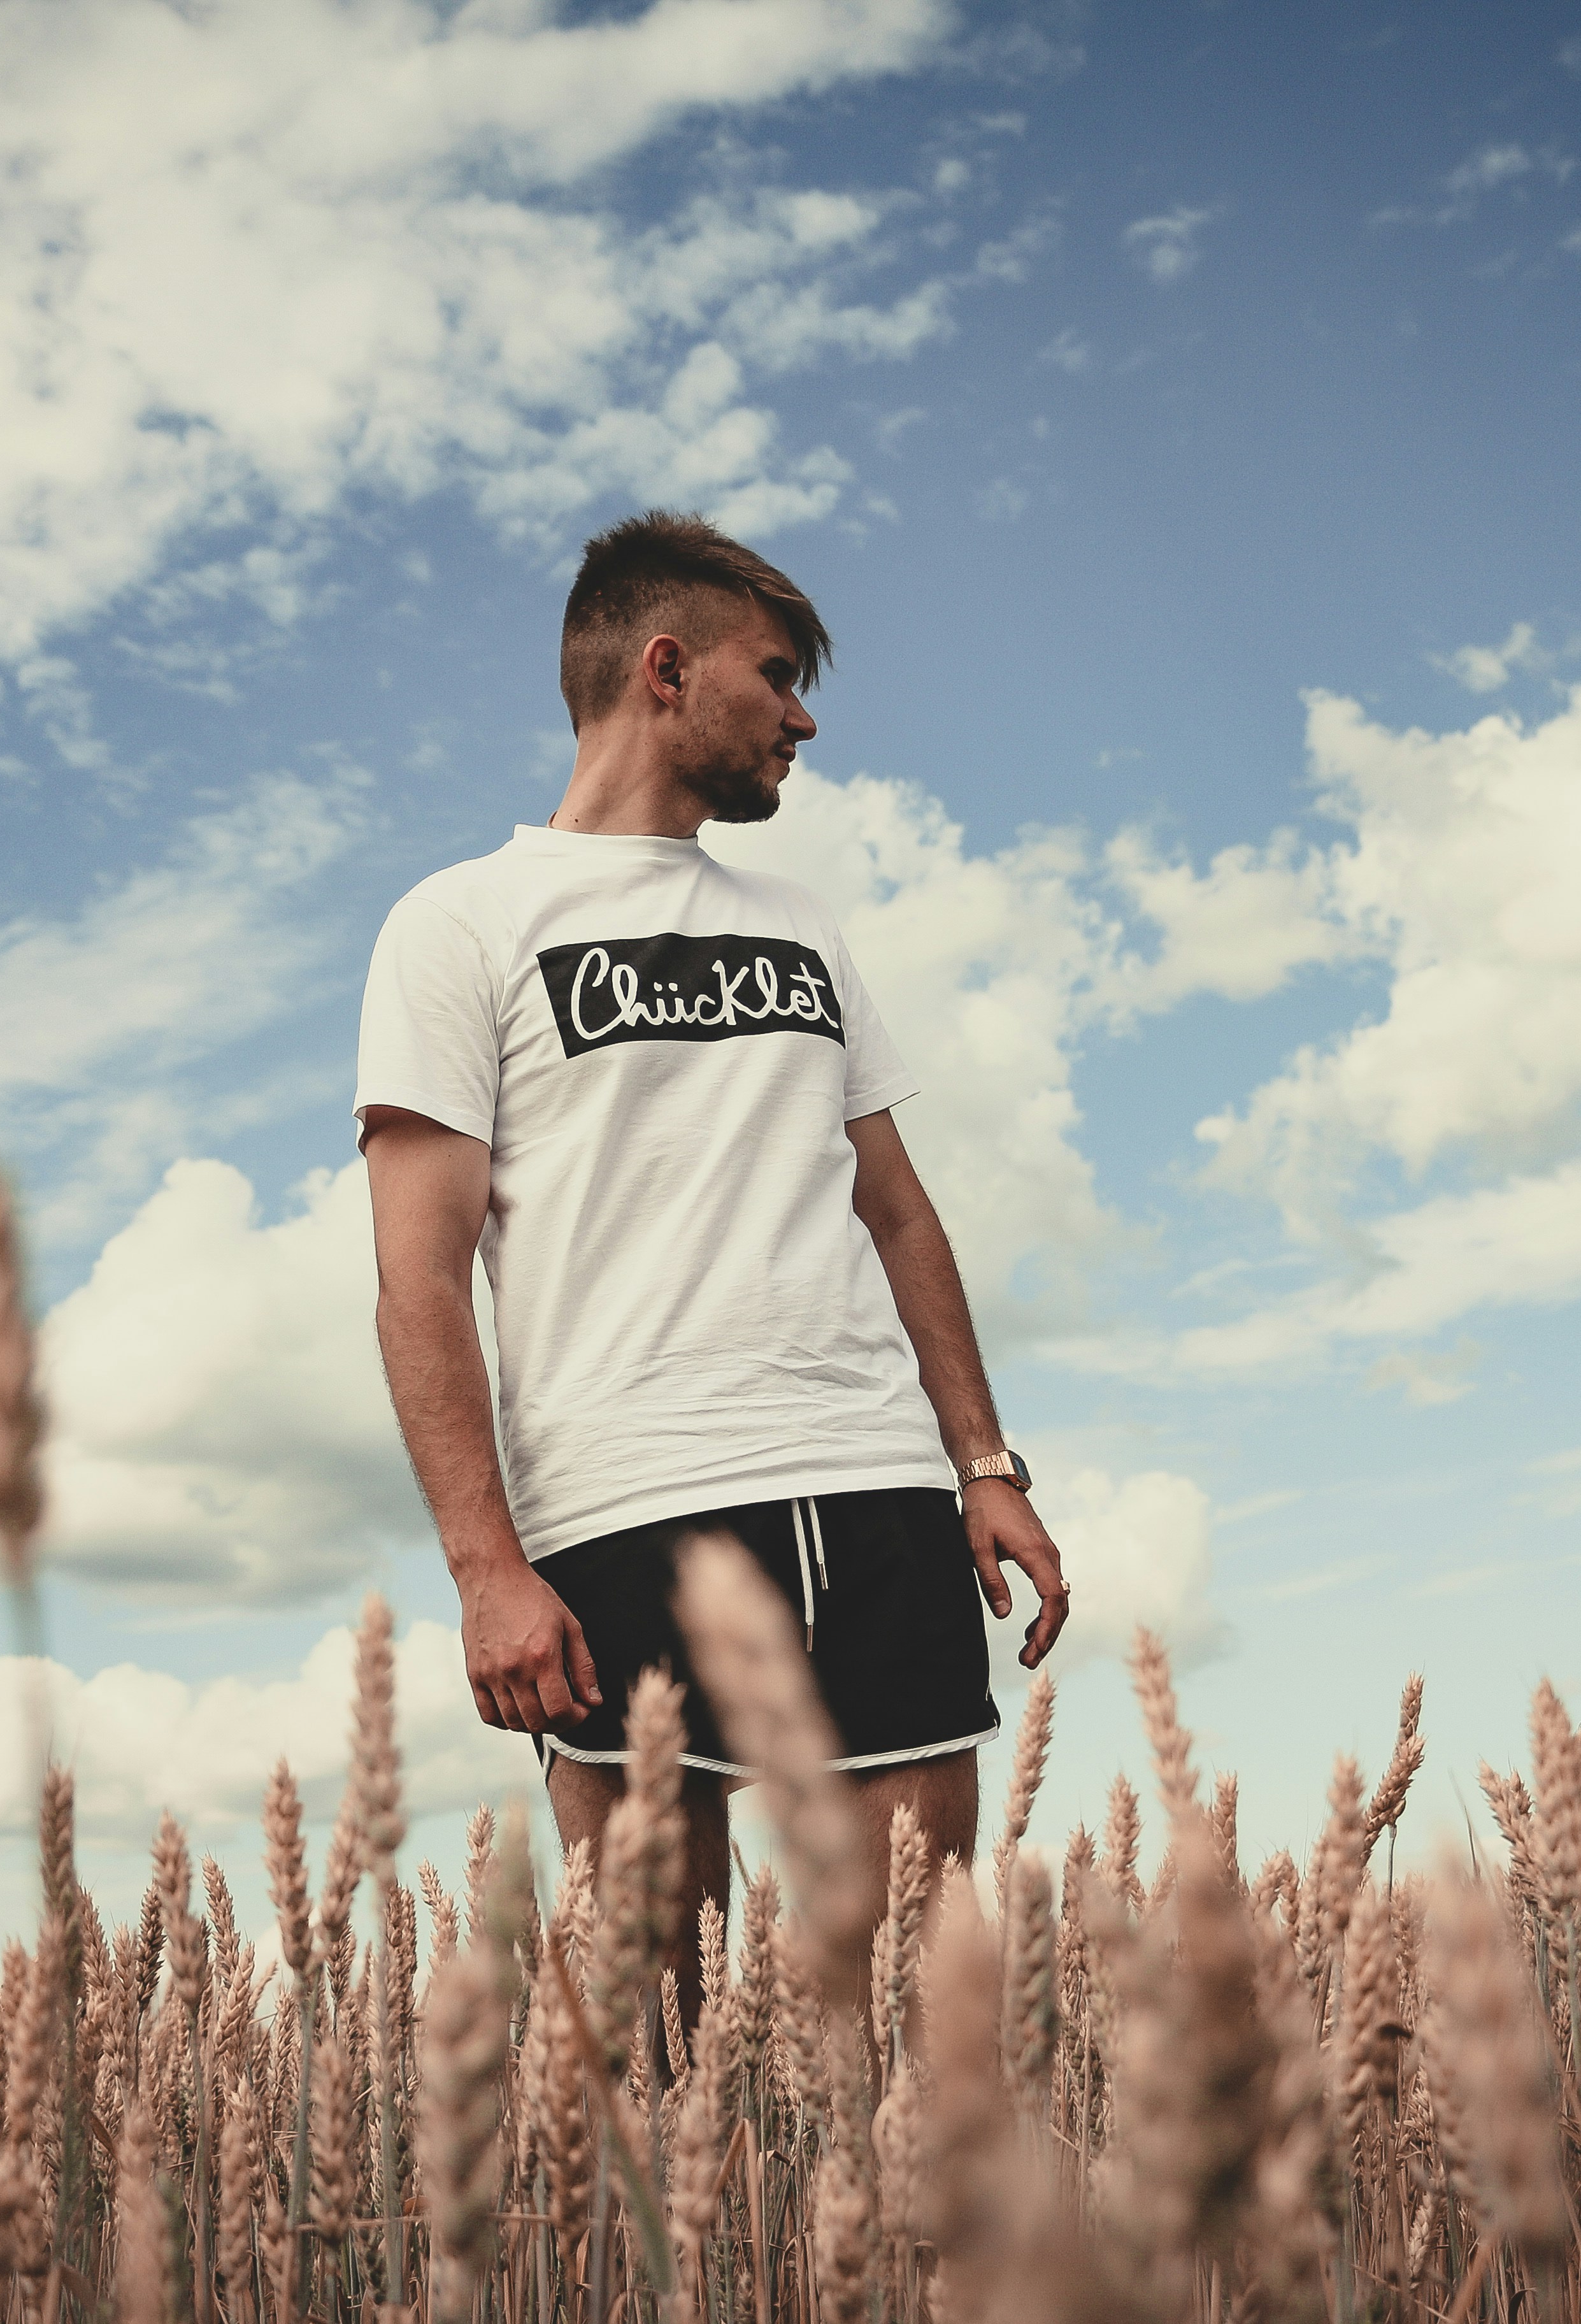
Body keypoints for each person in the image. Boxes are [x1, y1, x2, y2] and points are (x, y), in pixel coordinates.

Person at [354, 510, 1071, 2011]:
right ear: (667, 669)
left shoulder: (802, 926)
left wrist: (984, 1464)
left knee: (916, 2019)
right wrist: (487, 1571)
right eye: (780, 675)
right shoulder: (458, 923)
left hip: (874, 1497)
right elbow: (417, 1275)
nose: (805, 717)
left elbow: (898, 1212)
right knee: (655, 2042)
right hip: (625, 1512)